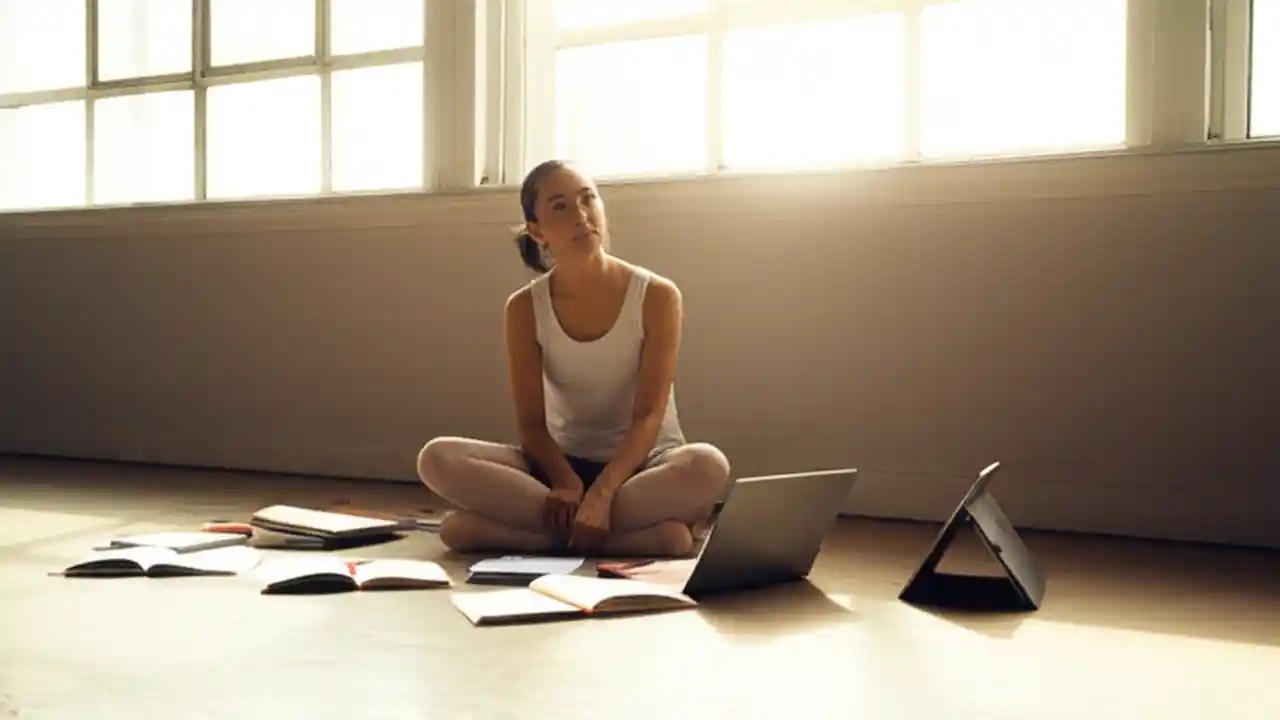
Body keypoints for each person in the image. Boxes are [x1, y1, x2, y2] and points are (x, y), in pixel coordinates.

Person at [417, 159, 731, 557]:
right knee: (437, 458)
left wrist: (602, 493)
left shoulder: (657, 295)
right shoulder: (523, 308)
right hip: (560, 470)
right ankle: (627, 539)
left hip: (644, 465)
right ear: (537, 231)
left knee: (708, 466)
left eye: (588, 199)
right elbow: (531, 425)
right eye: (561, 206)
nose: (581, 215)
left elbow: (649, 417)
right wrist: (566, 483)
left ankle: (543, 537)